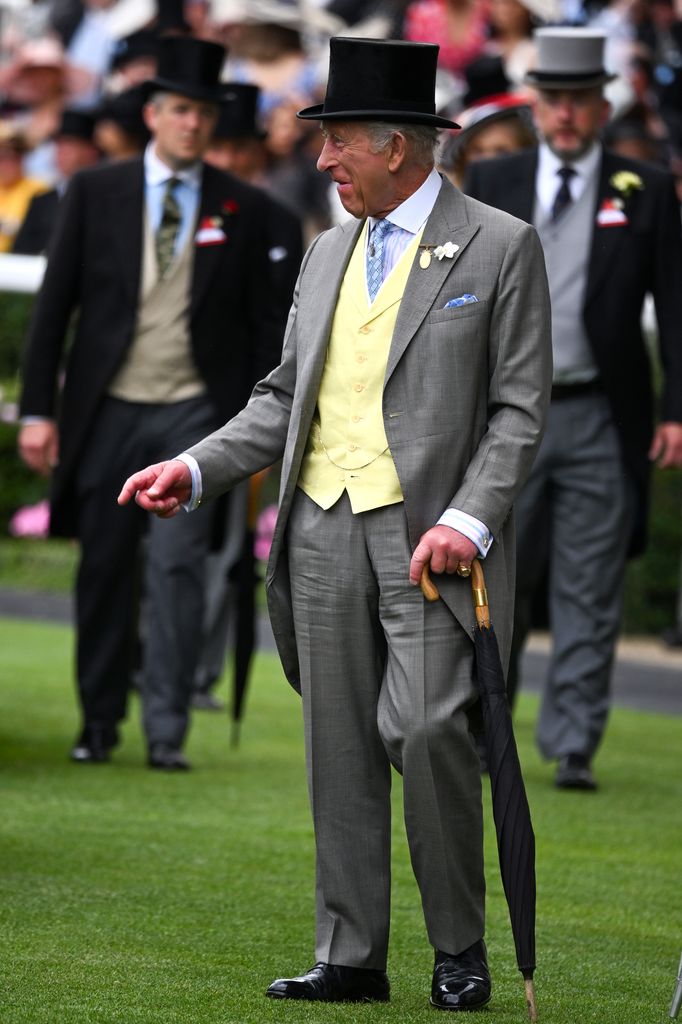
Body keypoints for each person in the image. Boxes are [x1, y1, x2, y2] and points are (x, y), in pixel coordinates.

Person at [119, 35, 551, 1008]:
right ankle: (351, 955)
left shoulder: (501, 244)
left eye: (338, 142)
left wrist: (469, 521)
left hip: (431, 543)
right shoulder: (322, 252)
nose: (321, 160)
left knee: (432, 727)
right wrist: (193, 467)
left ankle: (457, 950)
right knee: (339, 747)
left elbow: (520, 411)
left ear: (397, 147)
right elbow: (281, 398)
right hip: (316, 530)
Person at [18, 35, 285, 771]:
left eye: (203, 112)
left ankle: (166, 733)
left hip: (194, 415)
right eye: (178, 110)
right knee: (103, 567)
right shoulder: (95, 192)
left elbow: (267, 331)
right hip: (106, 409)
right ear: (153, 114)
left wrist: (254, 429)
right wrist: (39, 410)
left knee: (177, 570)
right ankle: (98, 723)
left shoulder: (247, 208)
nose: (192, 125)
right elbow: (54, 311)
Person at [464, 27, 682, 790]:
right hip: (503, 412)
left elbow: (675, 307)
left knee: (590, 587)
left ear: (600, 107)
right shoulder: (493, 181)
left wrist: (675, 409)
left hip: (599, 411)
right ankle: (488, 730)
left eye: (580, 99)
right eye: (554, 98)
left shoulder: (645, 188)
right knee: (497, 578)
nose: (566, 112)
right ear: (534, 106)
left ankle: (574, 743)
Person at [195, 81, 303, 708]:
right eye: (222, 146)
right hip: (179, 399)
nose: (231, 160)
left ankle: (198, 673)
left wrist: (265, 425)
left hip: (247, 412)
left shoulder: (277, 221)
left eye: (241, 147)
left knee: (226, 550)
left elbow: (284, 336)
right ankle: (156, 663)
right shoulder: (187, 210)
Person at [13, 108, 100, 255]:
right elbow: (22, 249)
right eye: (58, 145)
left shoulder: (105, 197)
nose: (61, 152)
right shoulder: (42, 200)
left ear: (90, 150)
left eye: (69, 144)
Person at [0, 123, 48, 251]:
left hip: (19, 260)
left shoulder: (39, 190)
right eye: (1, 158)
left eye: (11, 158)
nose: (4, 165)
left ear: (21, 159)